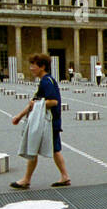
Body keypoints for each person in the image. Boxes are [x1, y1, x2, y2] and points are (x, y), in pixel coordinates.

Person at [10, 53, 72, 188]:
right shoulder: (45, 81)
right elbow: (35, 102)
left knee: (34, 148)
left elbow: (53, 101)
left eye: (33, 65)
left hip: (48, 123)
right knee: (54, 149)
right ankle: (64, 176)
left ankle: (26, 179)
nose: (31, 68)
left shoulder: (46, 81)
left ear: (42, 66)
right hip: (49, 122)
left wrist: (37, 104)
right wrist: (19, 116)